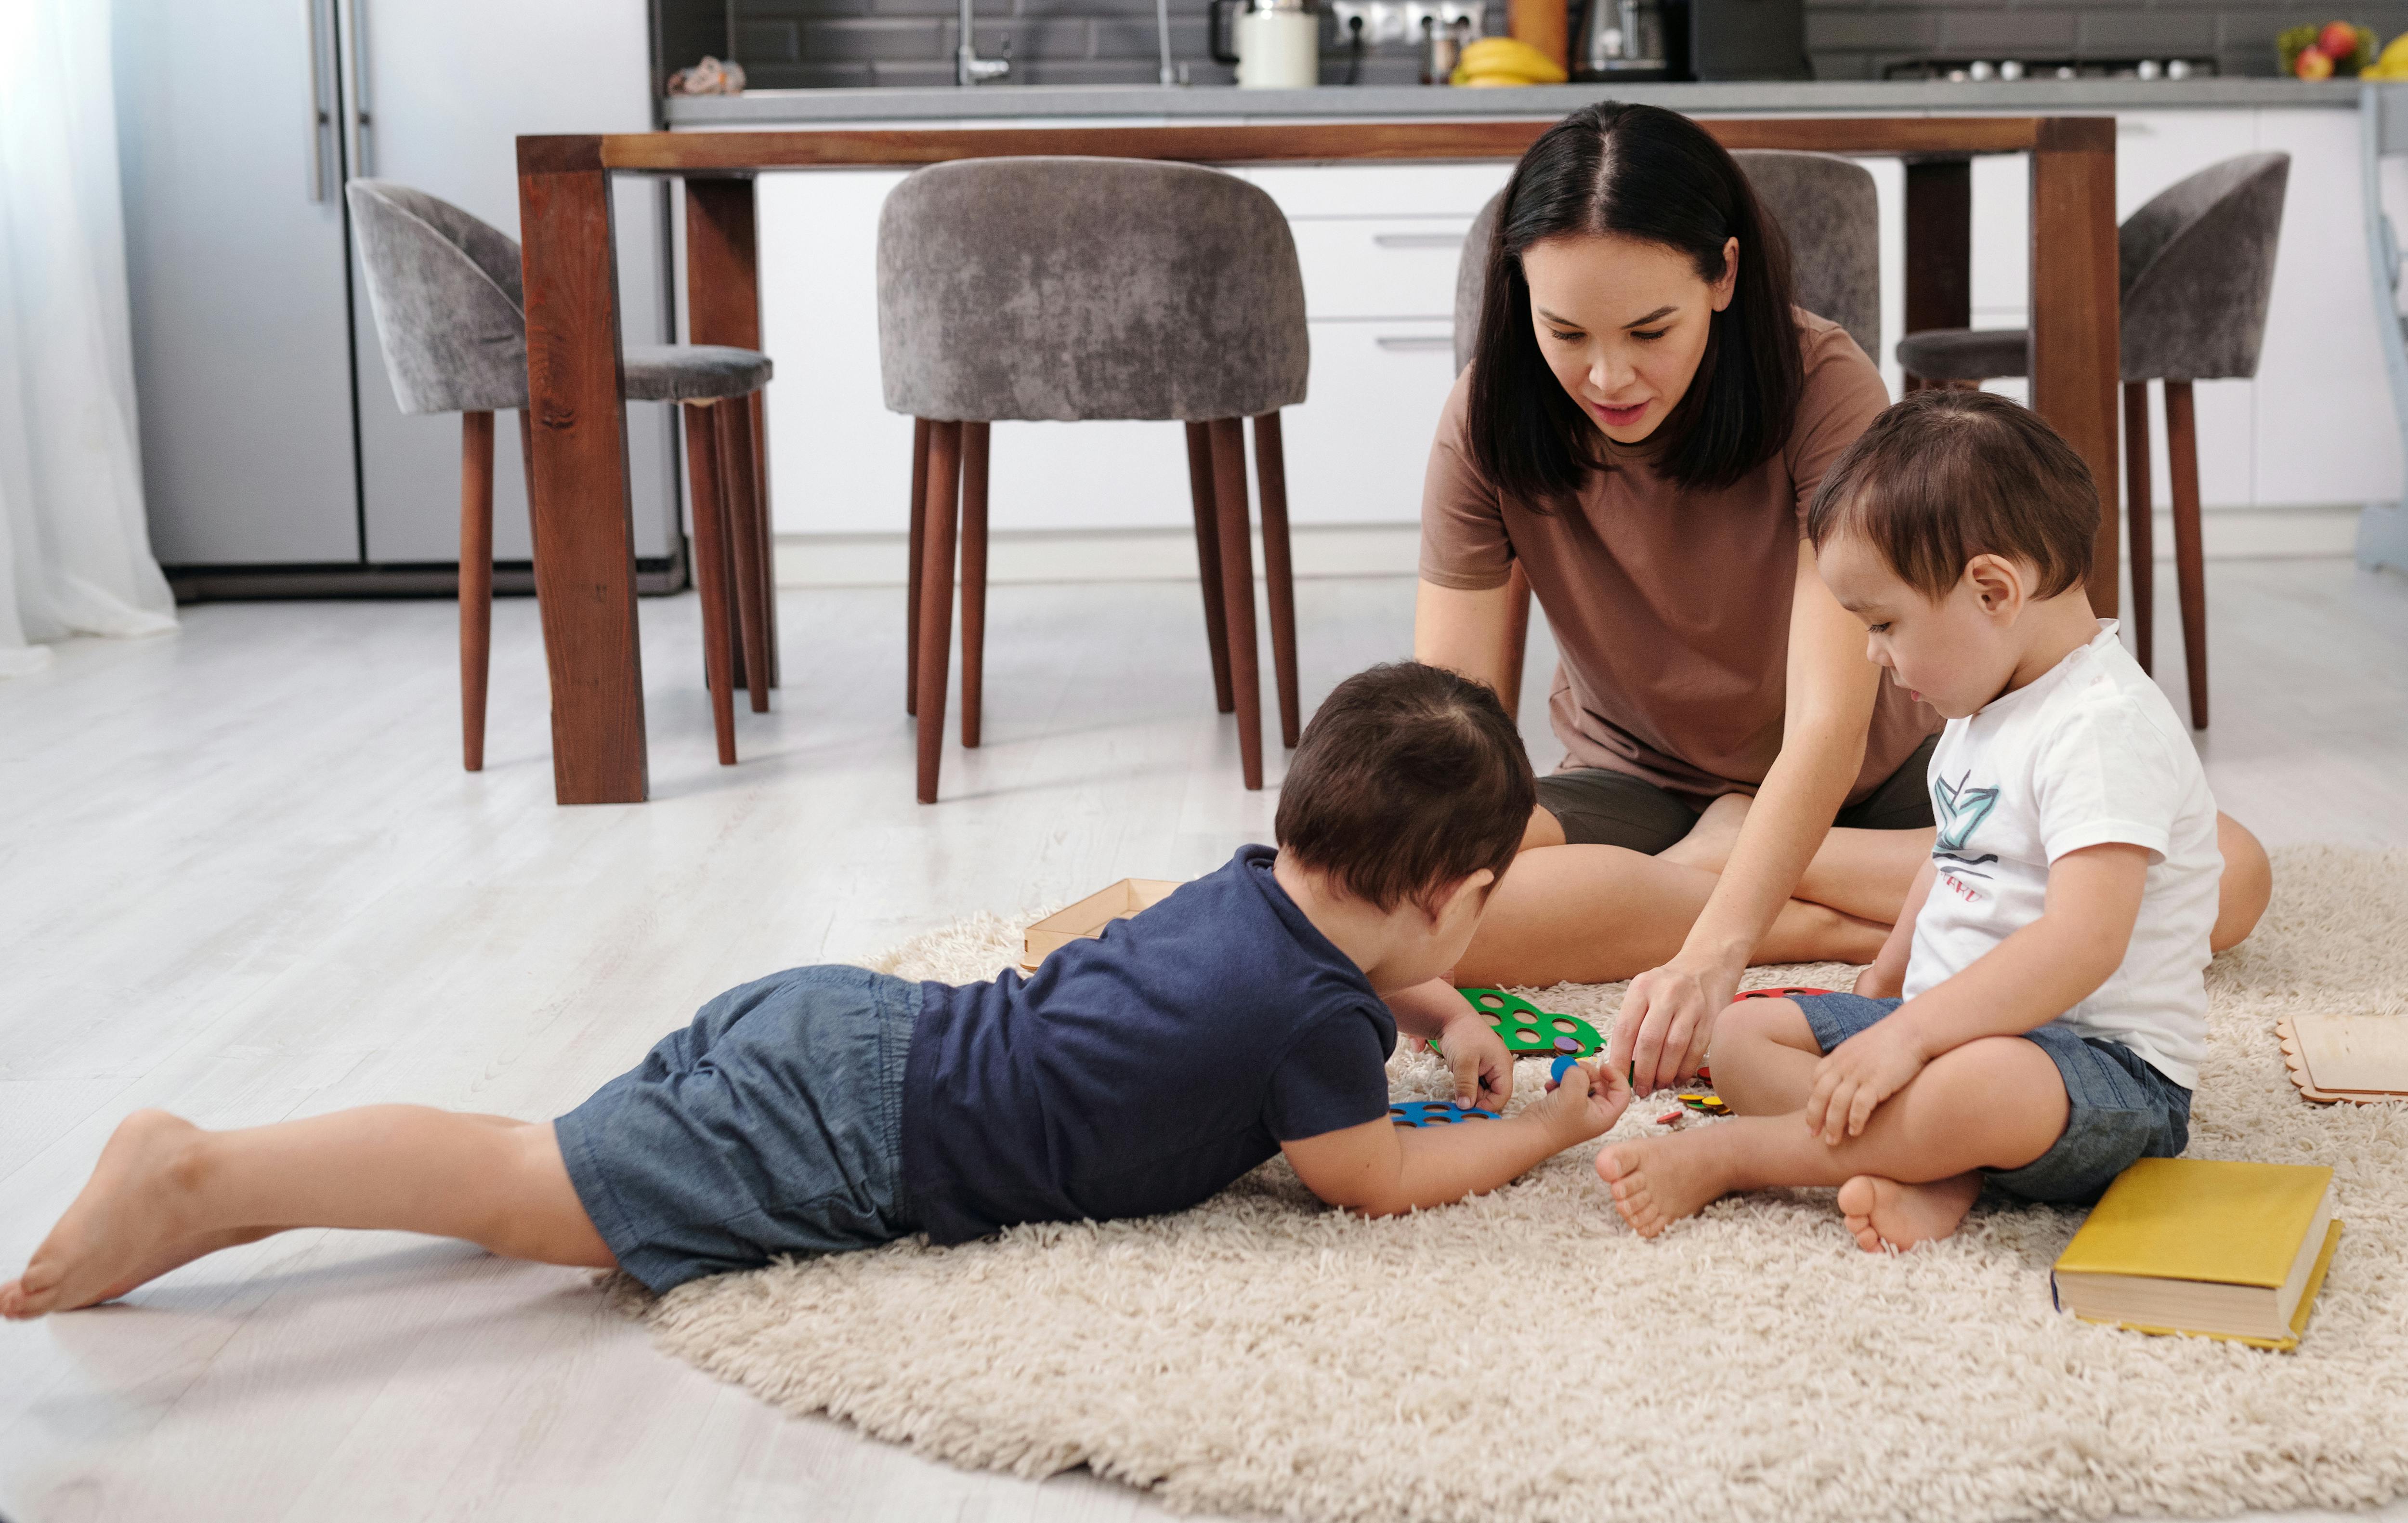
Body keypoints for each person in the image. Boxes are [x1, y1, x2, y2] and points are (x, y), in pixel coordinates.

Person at [1, 662, 1631, 1318]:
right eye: (1473, 936)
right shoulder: (1318, 1027)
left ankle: (238, 1200)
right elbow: (1377, 1180)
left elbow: (1370, 968)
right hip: (860, 1134)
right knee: (528, 1194)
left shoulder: (1255, 892)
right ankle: (204, 1168)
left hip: (852, 1025)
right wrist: (1547, 1129)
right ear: (1455, 894)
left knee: (551, 1143)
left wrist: (1456, 1015)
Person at [1408, 101, 2271, 1096]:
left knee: (2227, 873)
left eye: (1650, 330)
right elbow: (1449, 731)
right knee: (1434, 902)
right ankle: (1857, 899)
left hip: (1870, 769)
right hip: (1634, 776)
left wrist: (1716, 950)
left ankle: (1765, 863)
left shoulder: (1818, 382)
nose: (1607, 375)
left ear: (1724, 275)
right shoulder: (1484, 418)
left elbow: (1825, 724)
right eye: (1564, 332)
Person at [1596, 390, 2212, 1250]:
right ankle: (1933, 1162)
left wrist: (1912, 1035)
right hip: (1947, 1024)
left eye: (1885, 623)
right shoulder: (1980, 706)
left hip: (2100, 1068)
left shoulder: (2101, 726)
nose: (1874, 654)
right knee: (1741, 1035)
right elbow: (1953, 857)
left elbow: (2085, 943)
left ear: (1993, 589)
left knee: (1984, 1084)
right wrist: (1886, 984)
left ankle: (1743, 1155)